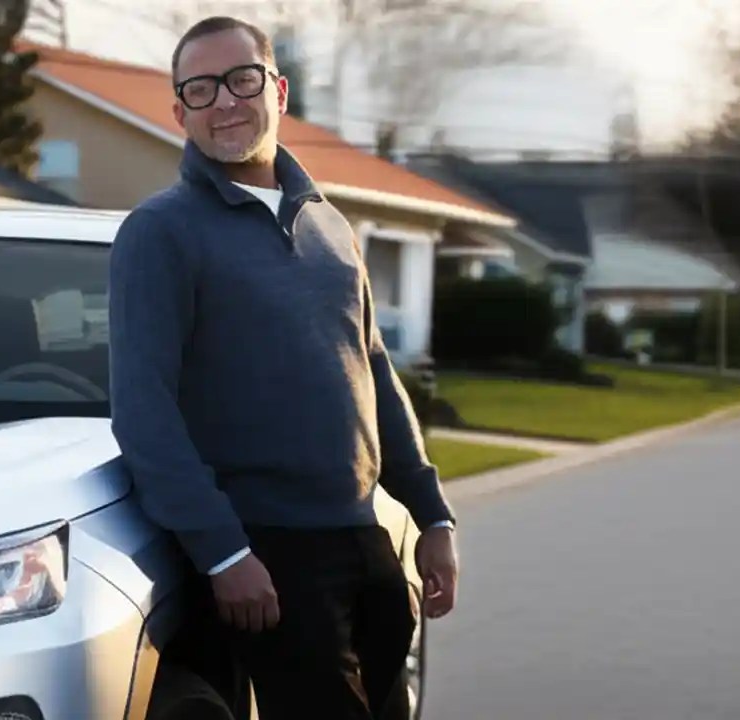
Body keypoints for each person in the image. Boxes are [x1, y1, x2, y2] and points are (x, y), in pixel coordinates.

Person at [107, 15, 460, 720]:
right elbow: (145, 414)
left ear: (279, 90)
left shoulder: (330, 225)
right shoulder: (160, 233)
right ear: (179, 113)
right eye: (200, 89)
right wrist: (223, 553)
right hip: (266, 551)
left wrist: (432, 514)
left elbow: (373, 373)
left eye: (242, 80)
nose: (224, 102)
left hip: (364, 535)